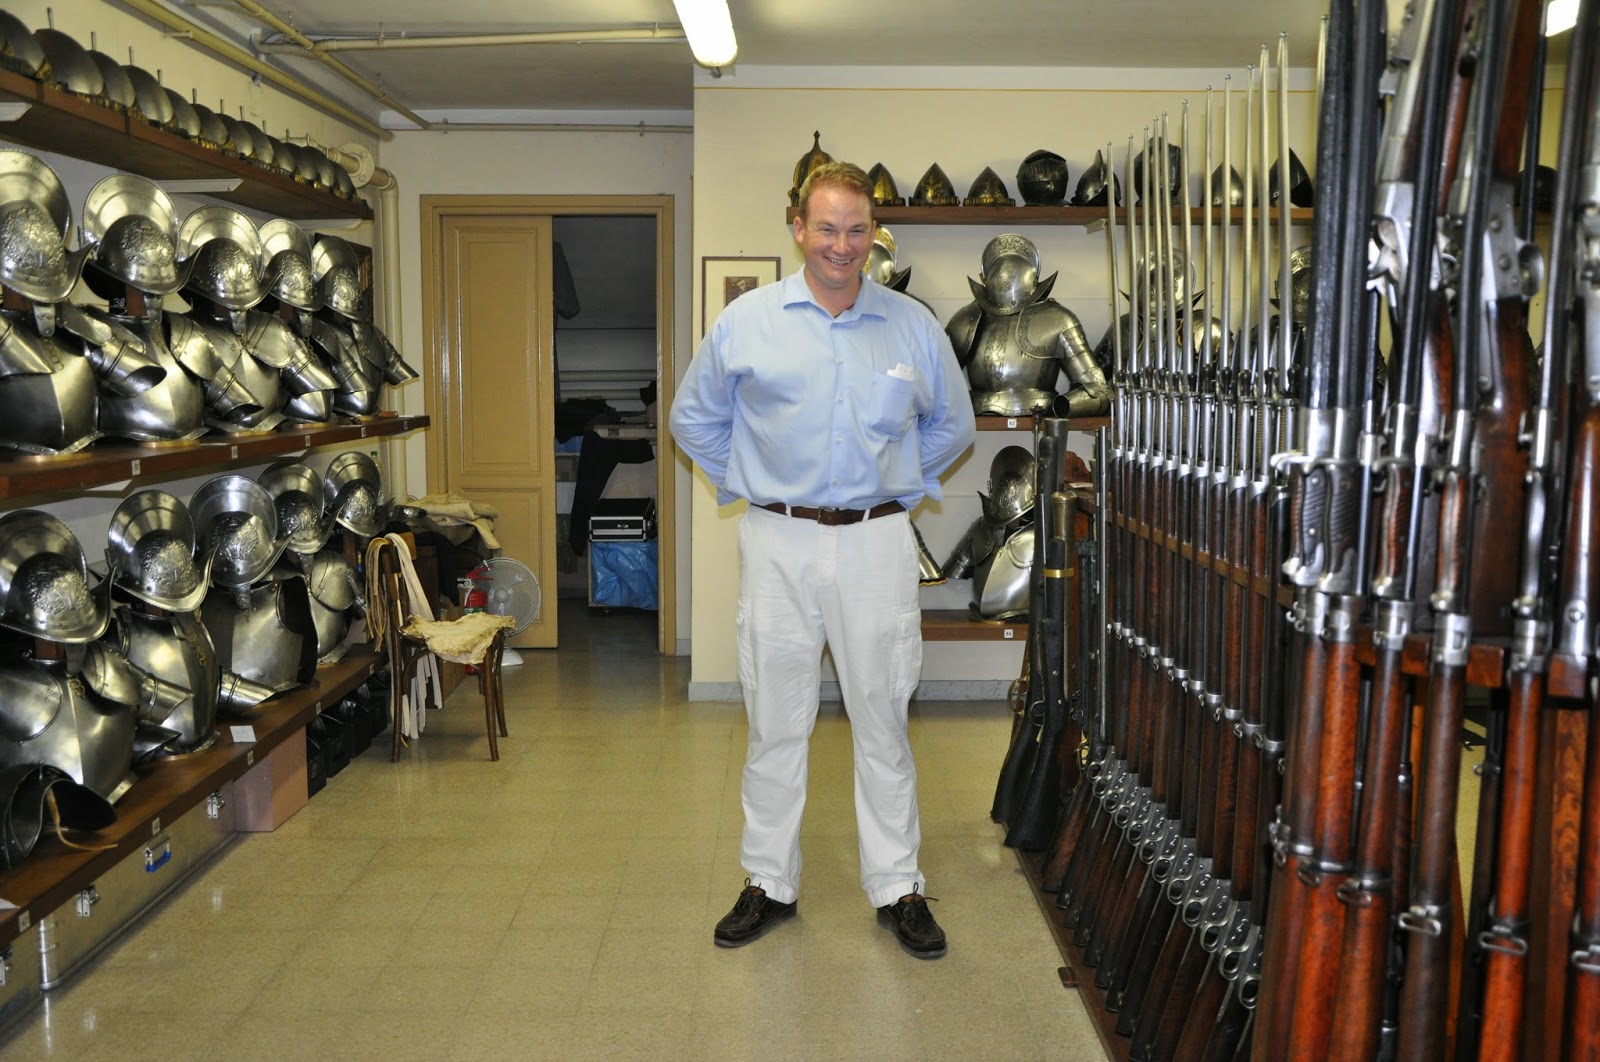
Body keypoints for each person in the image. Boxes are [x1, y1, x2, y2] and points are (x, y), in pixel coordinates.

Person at [670, 161, 977, 959]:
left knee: (883, 717)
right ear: (798, 228)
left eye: (857, 228)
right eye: (827, 227)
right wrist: (752, 483)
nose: (842, 244)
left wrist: (897, 489)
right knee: (776, 720)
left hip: (877, 542)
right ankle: (768, 882)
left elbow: (953, 424)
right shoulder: (749, 323)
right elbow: (694, 419)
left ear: (874, 233)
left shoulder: (911, 324)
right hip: (778, 538)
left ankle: (898, 884)